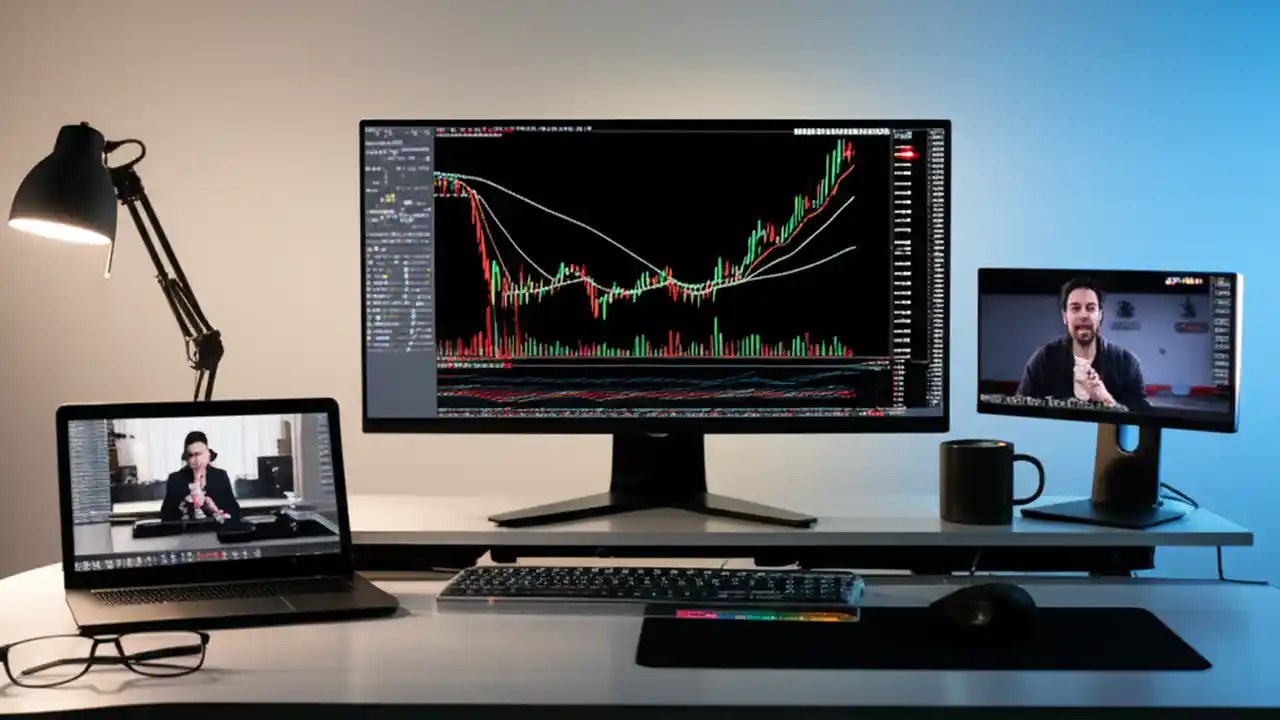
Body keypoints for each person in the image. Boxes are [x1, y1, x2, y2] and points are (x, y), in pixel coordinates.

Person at [1015, 276, 1149, 410]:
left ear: (1100, 315)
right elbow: (1020, 411)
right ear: (1064, 316)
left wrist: (1106, 400)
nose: (1084, 315)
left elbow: (1142, 417)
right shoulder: (1043, 360)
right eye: (1075, 308)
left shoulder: (1127, 364)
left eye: (1091, 308)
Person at [160, 430, 242, 523]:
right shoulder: (176, 480)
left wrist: (214, 510)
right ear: (187, 459)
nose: (197, 461)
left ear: (208, 454)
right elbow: (166, 516)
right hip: (188, 530)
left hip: (215, 529)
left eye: (199, 454)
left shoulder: (220, 476)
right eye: (191, 455)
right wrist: (184, 508)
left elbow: (234, 512)